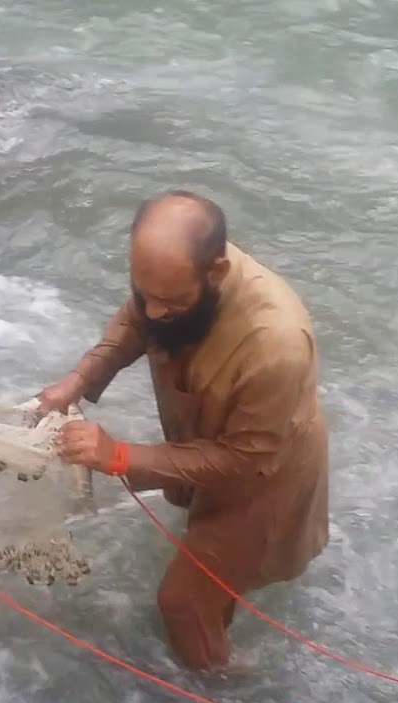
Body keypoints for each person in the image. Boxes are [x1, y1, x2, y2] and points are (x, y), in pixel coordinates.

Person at [40, 190, 329, 671]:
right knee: (208, 585)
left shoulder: (276, 344)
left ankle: (225, 692)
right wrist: (80, 379)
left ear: (215, 272)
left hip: (268, 473)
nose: (153, 312)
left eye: (170, 303)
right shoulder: (172, 278)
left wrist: (120, 457)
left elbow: (245, 460)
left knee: (184, 604)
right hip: (207, 436)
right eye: (144, 292)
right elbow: (138, 318)